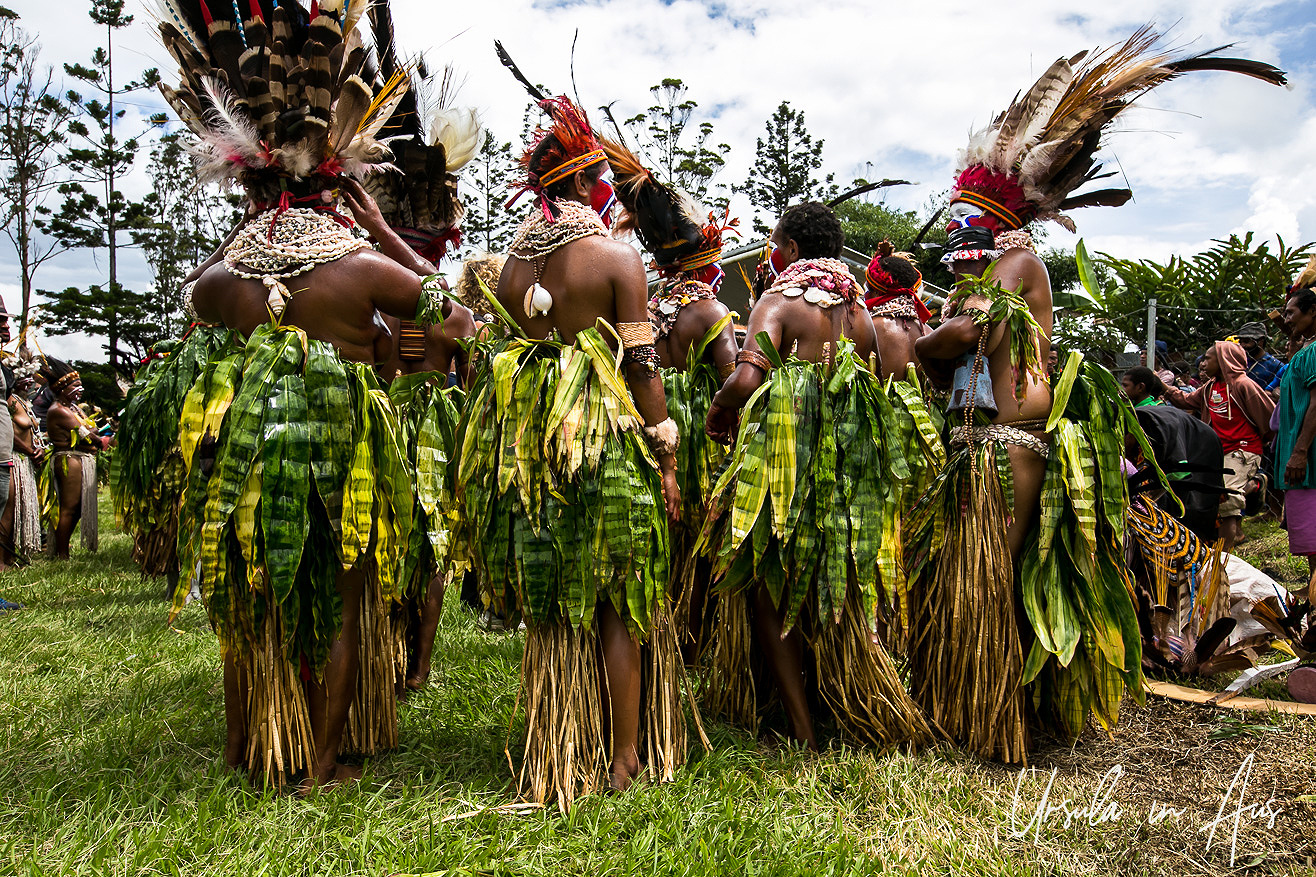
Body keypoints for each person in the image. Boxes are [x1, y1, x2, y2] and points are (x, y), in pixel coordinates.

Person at [907, 30, 1284, 763]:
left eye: (965, 213)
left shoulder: (1013, 264)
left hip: (1009, 446)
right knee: (970, 578)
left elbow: (950, 344)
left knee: (996, 581)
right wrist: (938, 340)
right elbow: (942, 351)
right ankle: (967, 709)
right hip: (973, 444)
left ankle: (999, 723)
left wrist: (937, 339)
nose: (956, 225)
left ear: (996, 213)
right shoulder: (980, 276)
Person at [158, 0, 441, 789]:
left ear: (255, 170)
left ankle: (246, 745)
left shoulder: (226, 279)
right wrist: (381, 236)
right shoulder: (364, 268)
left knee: (253, 602)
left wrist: (254, 227)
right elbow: (449, 314)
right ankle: (318, 760)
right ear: (341, 172)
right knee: (346, 607)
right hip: (340, 454)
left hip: (249, 457)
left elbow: (193, 300)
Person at [456, 85, 684, 808]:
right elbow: (643, 368)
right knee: (617, 598)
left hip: (533, 448)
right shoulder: (615, 258)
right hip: (607, 444)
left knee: (555, 593)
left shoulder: (515, 265)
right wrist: (666, 448)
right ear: (590, 182)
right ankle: (621, 757)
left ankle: (558, 745)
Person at [700, 201, 932, 751]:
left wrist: (720, 406)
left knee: (770, 588)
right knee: (834, 586)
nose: (770, 255)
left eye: (775, 244)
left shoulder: (777, 300)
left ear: (793, 250)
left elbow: (749, 372)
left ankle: (801, 728)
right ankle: (843, 706)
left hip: (785, 470)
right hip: (847, 476)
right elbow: (871, 384)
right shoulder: (860, 314)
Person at [600, 134, 739, 659]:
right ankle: (693, 640)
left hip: (652, 417)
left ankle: (663, 631)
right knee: (699, 538)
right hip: (696, 429)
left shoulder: (651, 301)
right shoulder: (709, 310)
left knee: (665, 531)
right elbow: (731, 376)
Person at [1162, 341, 1275, 549]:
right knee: (1213, 496)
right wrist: (1161, 386)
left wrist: (1261, 440)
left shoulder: (1243, 385)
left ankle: (1224, 560)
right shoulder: (1210, 387)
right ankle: (1254, 486)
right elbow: (1186, 400)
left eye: (1208, 358)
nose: (1203, 363)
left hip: (1243, 449)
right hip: (1217, 452)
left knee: (1228, 499)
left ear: (1224, 359)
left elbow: (1269, 415)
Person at [40, 358, 108, 559]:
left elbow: (88, 431)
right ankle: (61, 553)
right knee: (70, 507)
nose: (80, 390)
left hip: (78, 458)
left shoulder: (73, 408)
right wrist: (98, 439)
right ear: (62, 388)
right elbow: (89, 435)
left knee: (77, 508)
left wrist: (93, 435)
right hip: (68, 460)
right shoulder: (59, 410)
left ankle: (61, 547)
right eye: (75, 386)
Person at [1275, 286, 1316, 575]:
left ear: (1313, 311)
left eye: (1292, 313)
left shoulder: (1314, 352)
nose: (1286, 319)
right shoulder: (1304, 350)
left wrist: (1300, 452)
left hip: (1309, 463)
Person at [2, 354, 47, 565]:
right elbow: (8, 430)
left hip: (25, 460)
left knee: (16, 513)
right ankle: (2, 561)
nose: (29, 381)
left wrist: (36, 450)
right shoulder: (9, 402)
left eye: (31, 376)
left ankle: (9, 558)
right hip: (13, 458)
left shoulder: (23, 402)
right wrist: (29, 450)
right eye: (23, 377)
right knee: (7, 513)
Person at [865, 241, 932, 379]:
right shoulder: (930, 333)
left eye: (870, 289)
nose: (866, 295)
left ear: (878, 292)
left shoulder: (869, 328)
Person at [1235, 321, 1287, 395]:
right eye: (1240, 342)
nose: (1242, 345)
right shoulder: (1238, 362)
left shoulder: (1275, 366)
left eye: (1246, 342)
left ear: (1260, 342)